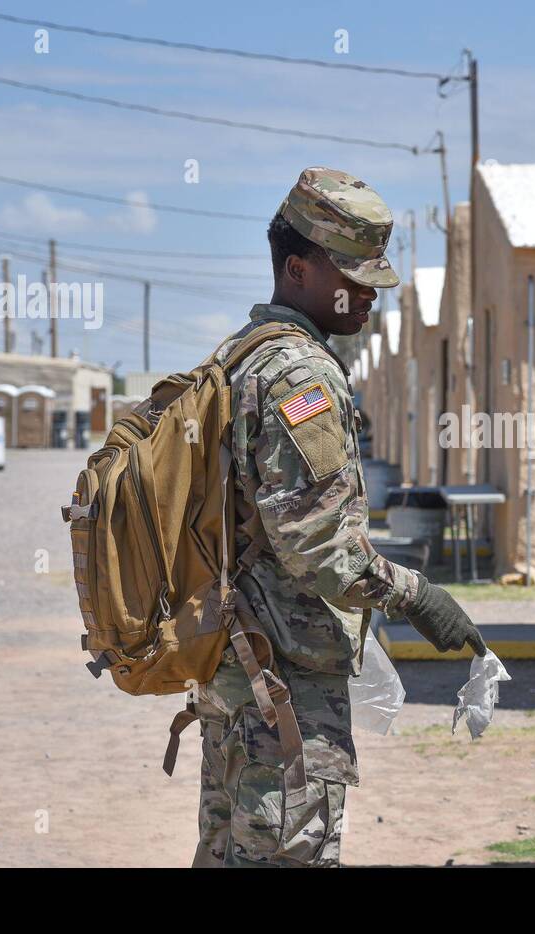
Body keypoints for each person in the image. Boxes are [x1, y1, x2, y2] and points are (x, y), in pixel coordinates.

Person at [192, 167, 486, 868]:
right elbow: (319, 547)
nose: (369, 296)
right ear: (296, 269)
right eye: (351, 276)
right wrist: (419, 596)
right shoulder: (300, 375)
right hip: (284, 684)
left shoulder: (238, 357)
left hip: (238, 671)